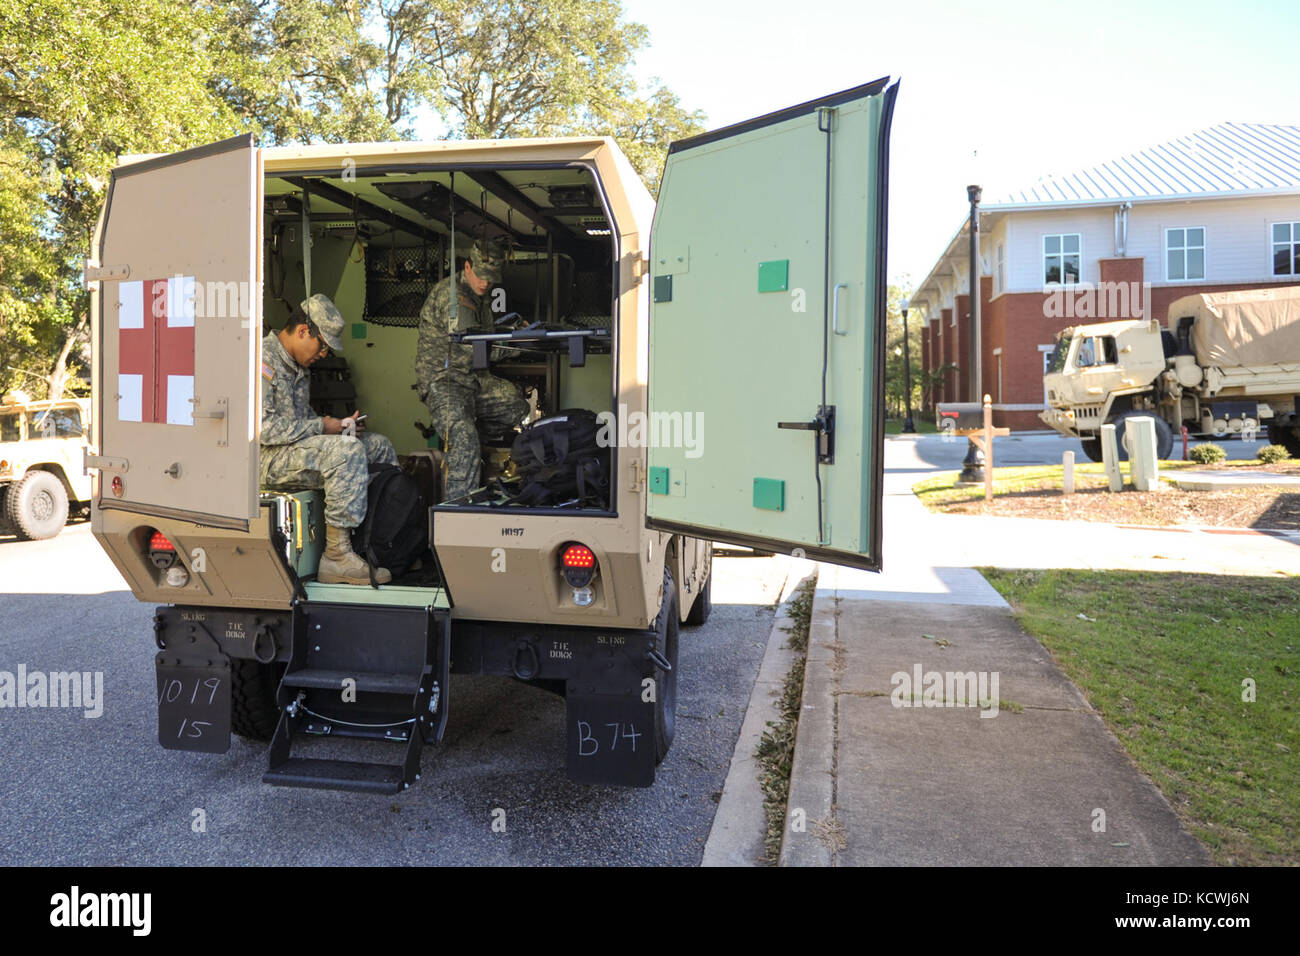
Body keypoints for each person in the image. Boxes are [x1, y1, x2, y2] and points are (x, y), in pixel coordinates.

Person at [261, 294, 398, 585]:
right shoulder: (263, 360)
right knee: (346, 452)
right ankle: (337, 557)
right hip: (267, 459)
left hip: (293, 450)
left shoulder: (298, 365)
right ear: (302, 331)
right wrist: (323, 426)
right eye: (322, 345)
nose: (324, 354)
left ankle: (377, 542)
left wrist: (342, 427)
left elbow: (302, 420)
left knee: (377, 445)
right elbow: (264, 429)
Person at [415, 240, 528, 501]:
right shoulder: (453, 297)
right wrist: (519, 342)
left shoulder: (480, 294)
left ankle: (474, 439)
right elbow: (477, 350)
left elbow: (485, 338)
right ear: (467, 267)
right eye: (481, 276)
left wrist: (515, 333)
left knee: (515, 405)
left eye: (491, 279)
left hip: (472, 380)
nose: (486, 283)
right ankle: (457, 510)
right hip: (444, 382)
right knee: (464, 440)